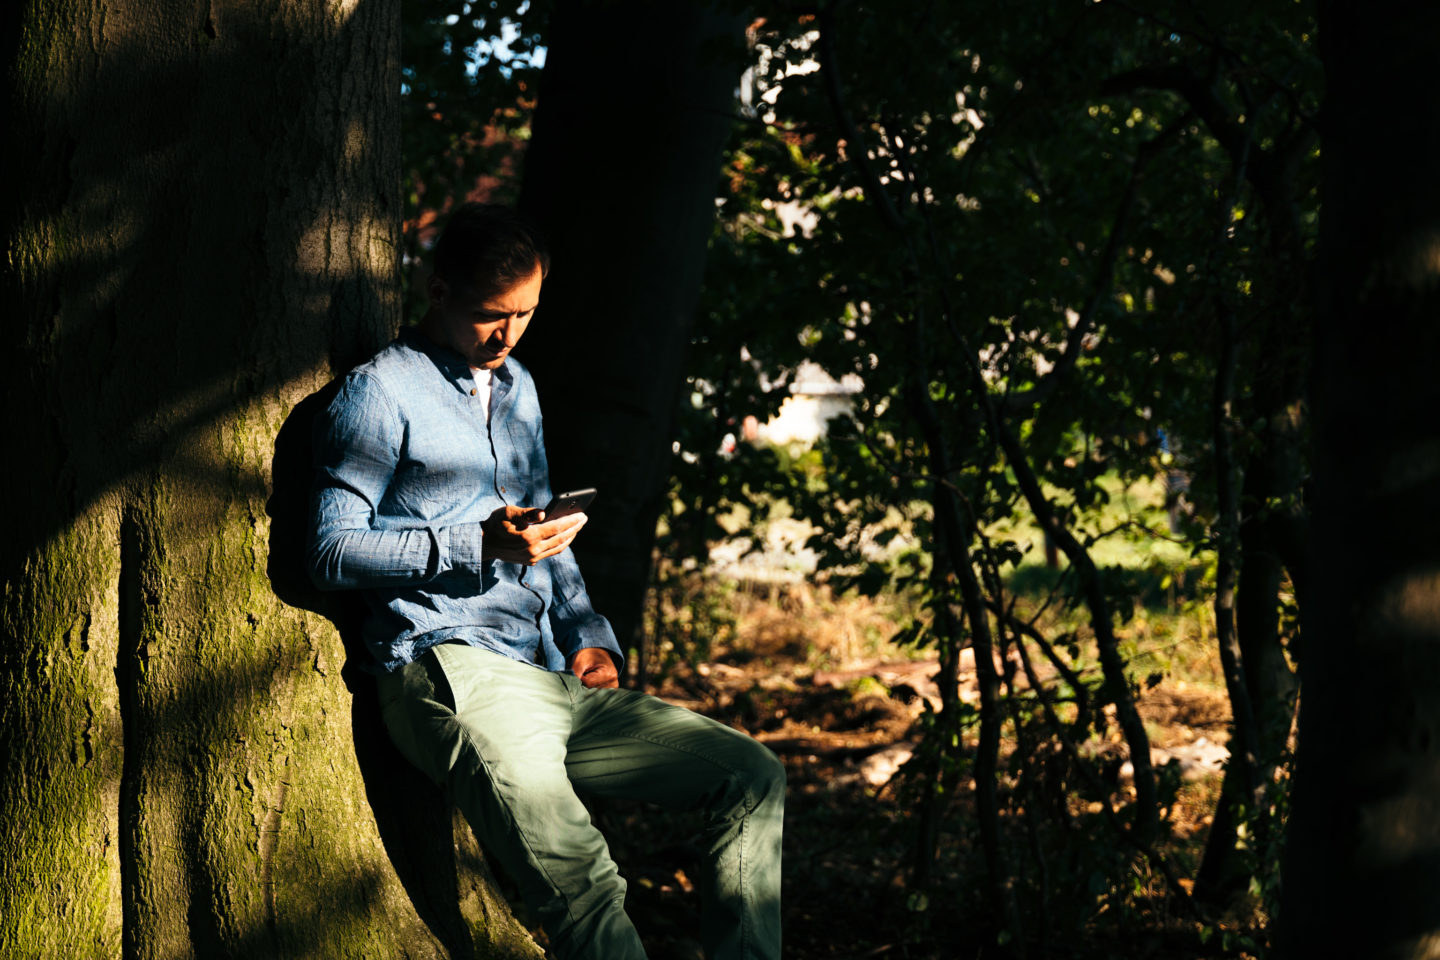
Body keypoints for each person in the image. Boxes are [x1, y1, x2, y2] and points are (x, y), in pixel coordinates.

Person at [306, 203, 784, 960]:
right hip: (451, 669)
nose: (507, 336)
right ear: (437, 292)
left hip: (548, 675)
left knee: (750, 775)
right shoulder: (379, 392)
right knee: (586, 883)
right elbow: (327, 551)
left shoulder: (518, 385)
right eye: (490, 317)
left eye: (525, 314)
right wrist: (475, 543)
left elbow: (543, 534)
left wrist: (588, 635)